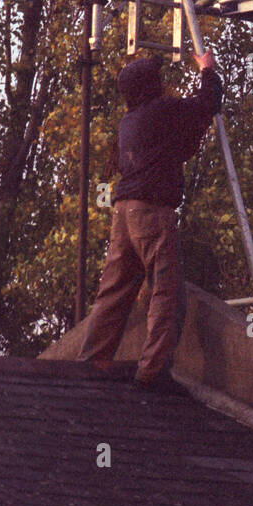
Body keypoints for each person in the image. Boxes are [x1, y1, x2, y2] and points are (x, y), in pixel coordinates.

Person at [78, 49, 223, 391]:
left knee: (114, 291)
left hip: (123, 213)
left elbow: (179, 144)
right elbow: (208, 104)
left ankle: (92, 361)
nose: (164, 84)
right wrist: (207, 69)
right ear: (151, 87)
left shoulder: (130, 122)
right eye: (159, 80)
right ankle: (152, 371)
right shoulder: (161, 112)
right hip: (151, 214)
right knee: (165, 291)